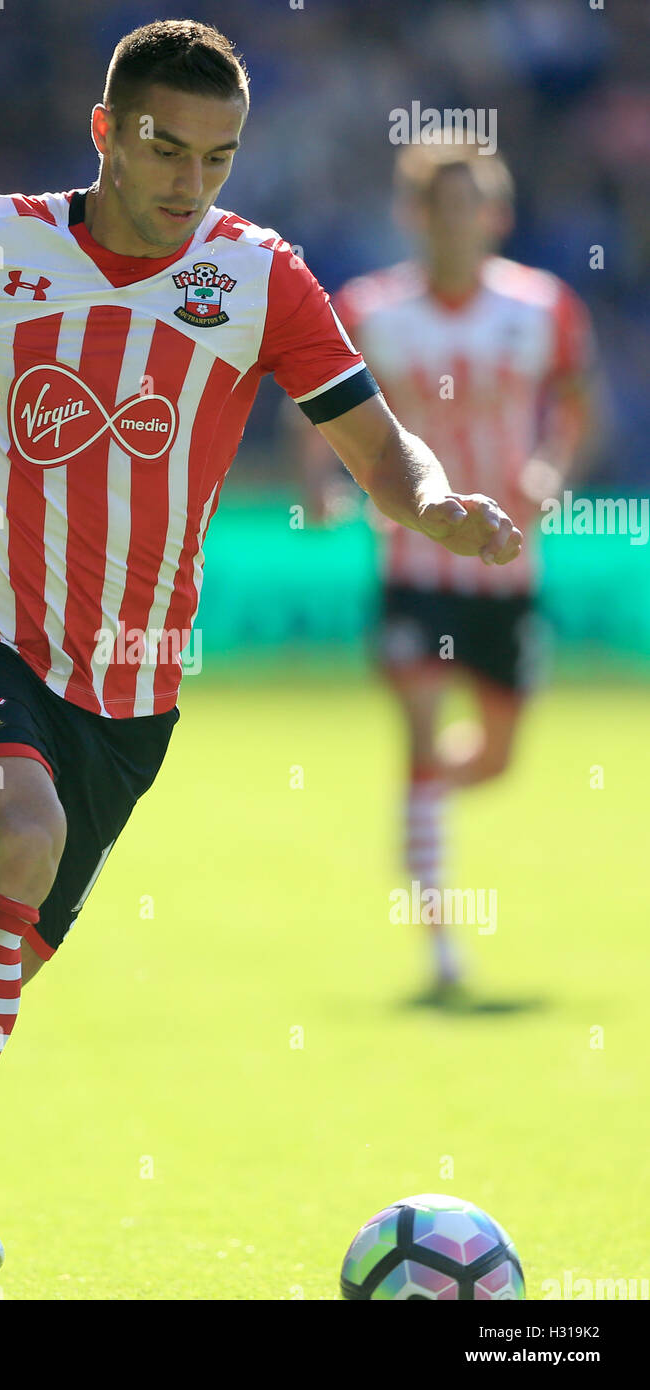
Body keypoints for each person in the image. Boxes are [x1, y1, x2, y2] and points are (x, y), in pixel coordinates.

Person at [0, 20, 522, 1297]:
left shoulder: (259, 277)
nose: (189, 183)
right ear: (106, 131)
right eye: (165, 148)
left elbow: (378, 446)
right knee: (12, 840)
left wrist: (435, 502)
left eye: (218, 159)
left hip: (131, 696)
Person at [284, 140, 594, 1000]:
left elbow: (578, 407)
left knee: (495, 759)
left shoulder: (543, 308)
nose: (454, 221)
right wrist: (322, 486)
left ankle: (422, 809)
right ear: (412, 214)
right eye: (437, 205)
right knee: (421, 729)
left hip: (508, 566)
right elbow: (316, 406)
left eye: (470, 205)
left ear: (497, 216)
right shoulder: (372, 310)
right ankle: (443, 951)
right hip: (415, 557)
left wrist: (550, 474)